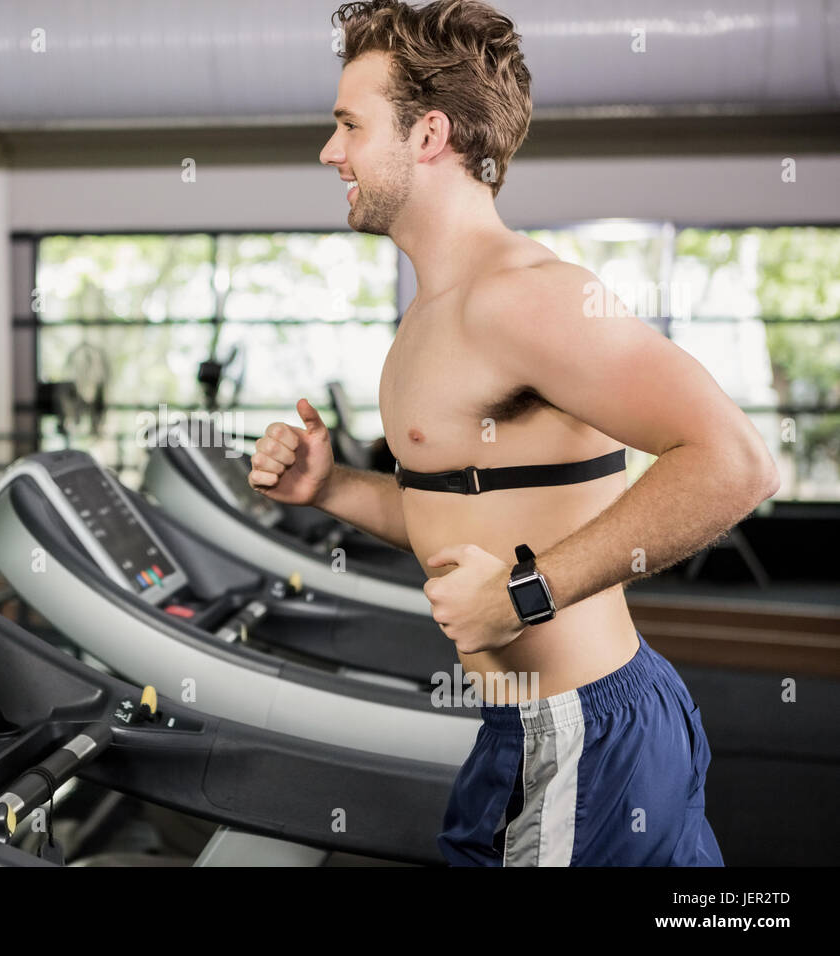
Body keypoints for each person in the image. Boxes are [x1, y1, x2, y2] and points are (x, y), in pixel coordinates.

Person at [247, 0, 779, 866]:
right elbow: (465, 512)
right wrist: (332, 486)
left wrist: (522, 597)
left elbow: (737, 463)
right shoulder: (433, 312)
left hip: (581, 730)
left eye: (349, 124)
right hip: (524, 725)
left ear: (428, 135)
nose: (330, 151)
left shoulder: (528, 294)